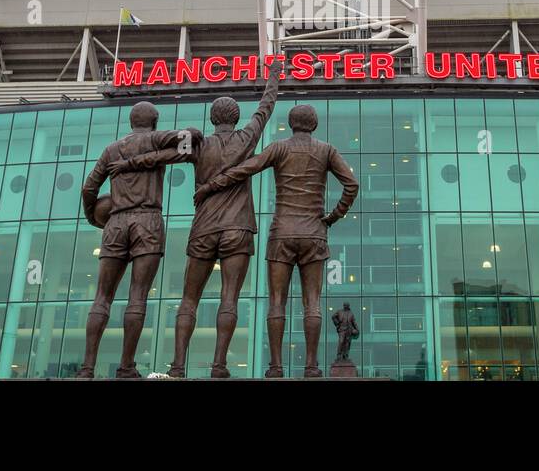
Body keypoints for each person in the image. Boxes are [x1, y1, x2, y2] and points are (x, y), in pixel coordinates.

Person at [194, 103, 358, 378]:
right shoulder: (326, 150)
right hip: (313, 233)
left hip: (282, 232)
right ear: (314, 124)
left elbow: (244, 170)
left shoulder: (278, 147)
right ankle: (311, 366)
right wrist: (332, 216)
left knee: (277, 301)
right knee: (313, 302)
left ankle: (275, 367)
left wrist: (210, 186)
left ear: (291, 124)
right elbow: (351, 184)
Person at [168, 56, 282, 378]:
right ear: (235, 118)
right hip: (237, 228)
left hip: (203, 228)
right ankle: (219, 364)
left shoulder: (198, 145)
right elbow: (265, 107)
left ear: (212, 118)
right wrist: (274, 75)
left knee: (189, 299)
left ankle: (177, 366)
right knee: (229, 296)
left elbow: (163, 153)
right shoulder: (246, 140)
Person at [76, 102, 202, 379]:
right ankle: (126, 366)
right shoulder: (156, 138)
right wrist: (160, 154)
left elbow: (89, 187)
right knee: (138, 296)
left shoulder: (111, 149)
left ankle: (87, 369)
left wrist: (93, 217)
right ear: (154, 122)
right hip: (148, 221)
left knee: (102, 298)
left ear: (131, 122)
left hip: (116, 222)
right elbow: (193, 136)